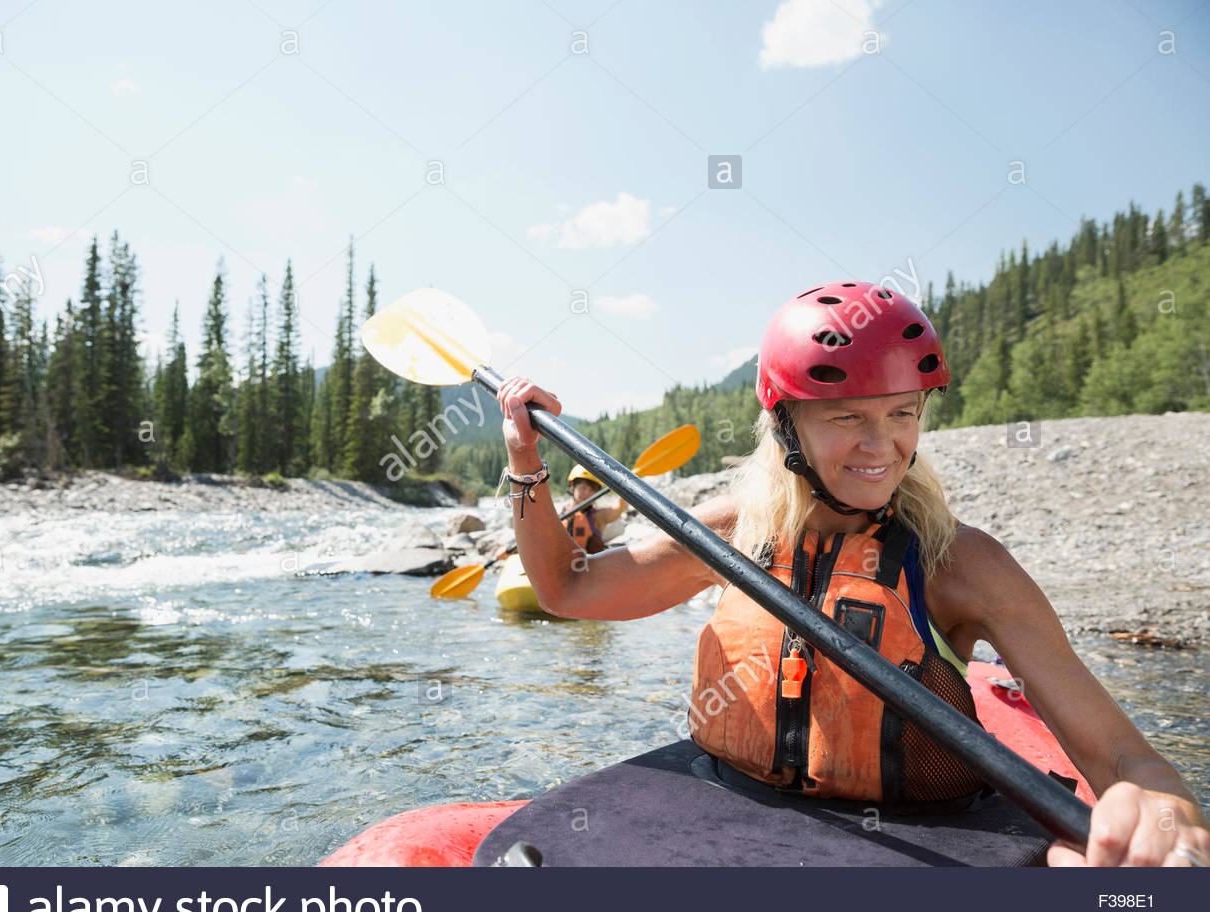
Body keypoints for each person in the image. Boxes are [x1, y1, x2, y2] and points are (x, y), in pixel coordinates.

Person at [495, 280, 1209, 867]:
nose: (882, 445)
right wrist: (527, 463)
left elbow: (1124, 757)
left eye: (902, 412)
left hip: (922, 836)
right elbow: (568, 589)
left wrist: (1170, 817)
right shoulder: (734, 532)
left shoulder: (960, 563)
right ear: (787, 425)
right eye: (845, 417)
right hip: (724, 802)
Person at [560, 465, 629, 554]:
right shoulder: (558, 515)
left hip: (590, 566)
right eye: (583, 487)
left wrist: (622, 486)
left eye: (592, 489)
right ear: (572, 486)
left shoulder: (598, 517)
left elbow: (620, 508)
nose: (587, 493)